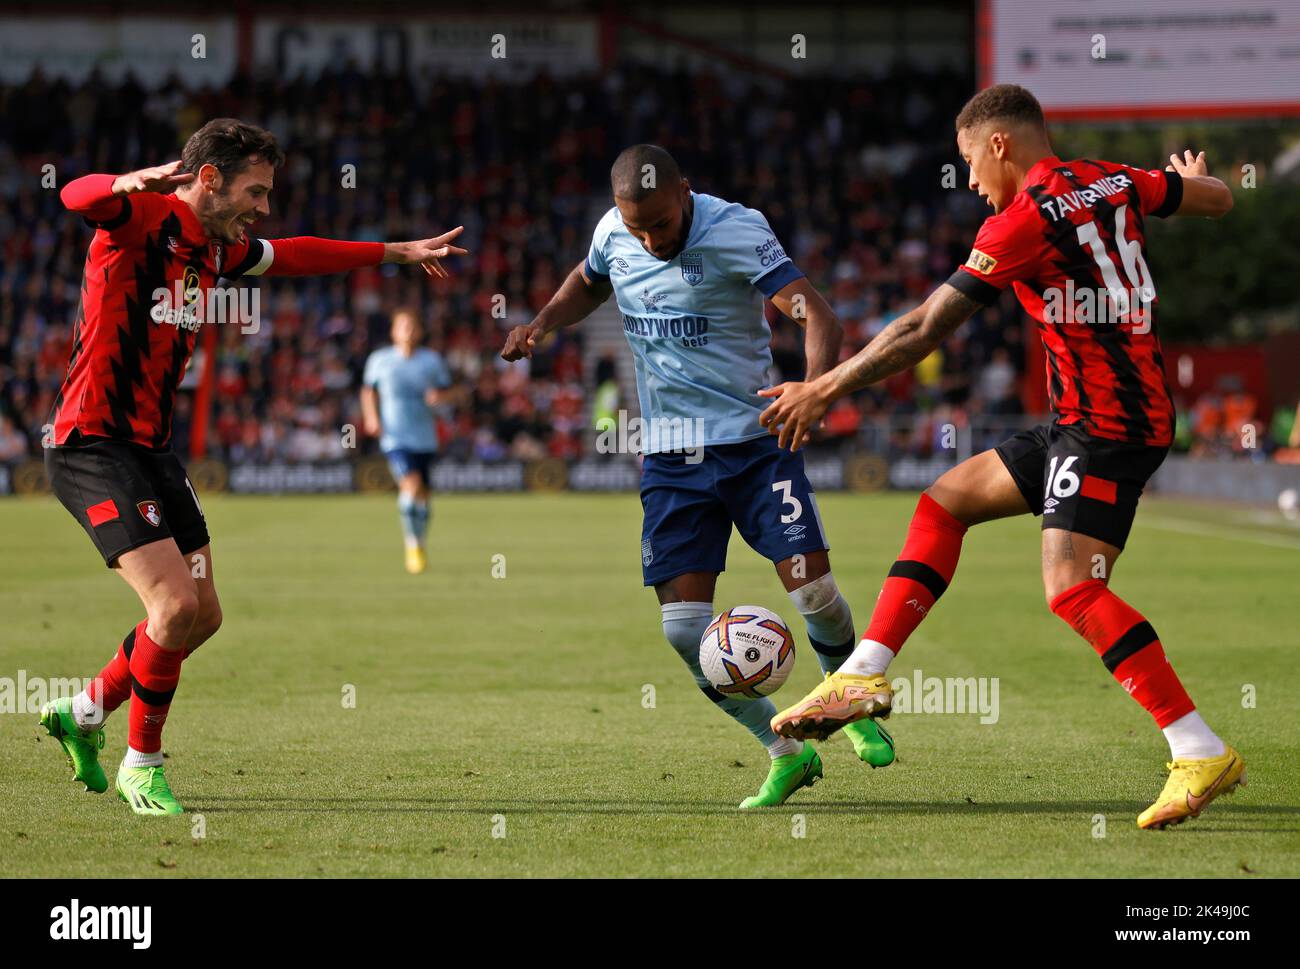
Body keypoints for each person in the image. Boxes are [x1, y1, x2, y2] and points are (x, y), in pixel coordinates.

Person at [759, 85, 1242, 830]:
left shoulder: (1023, 223)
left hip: (1109, 426)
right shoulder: (1112, 176)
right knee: (945, 500)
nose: (974, 184)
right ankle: (861, 675)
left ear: (999, 145)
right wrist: (1194, 177)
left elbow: (922, 329)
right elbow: (1214, 200)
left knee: (1072, 589)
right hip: (1086, 416)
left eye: (971, 165)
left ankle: (1197, 745)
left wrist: (822, 388)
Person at [41, 118, 467, 815]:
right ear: (208, 179)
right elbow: (77, 199)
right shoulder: (141, 218)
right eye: (256, 191)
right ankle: (140, 763)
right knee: (173, 607)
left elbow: (298, 255)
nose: (264, 208)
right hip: (93, 446)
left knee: (201, 615)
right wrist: (121, 181)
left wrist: (392, 251)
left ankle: (84, 712)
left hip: (153, 451)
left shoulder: (218, 250)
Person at [502, 144, 894, 809]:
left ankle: (847, 700)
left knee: (816, 595)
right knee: (684, 632)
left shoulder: (737, 228)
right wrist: (542, 322)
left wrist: (817, 388)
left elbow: (818, 314)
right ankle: (785, 751)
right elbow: (588, 279)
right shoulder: (612, 232)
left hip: (755, 445)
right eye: (637, 227)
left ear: (686, 191)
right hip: (671, 458)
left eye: (660, 222)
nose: (650, 239)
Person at [361, 307, 453, 573]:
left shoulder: (431, 361)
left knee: (423, 496)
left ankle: (420, 543)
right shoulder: (380, 360)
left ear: (420, 331)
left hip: (425, 436)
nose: (408, 332)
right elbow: (368, 392)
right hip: (395, 436)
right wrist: (371, 418)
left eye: (413, 326)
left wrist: (441, 398)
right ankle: (412, 545)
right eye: (403, 326)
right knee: (410, 486)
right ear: (394, 332)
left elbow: (452, 392)